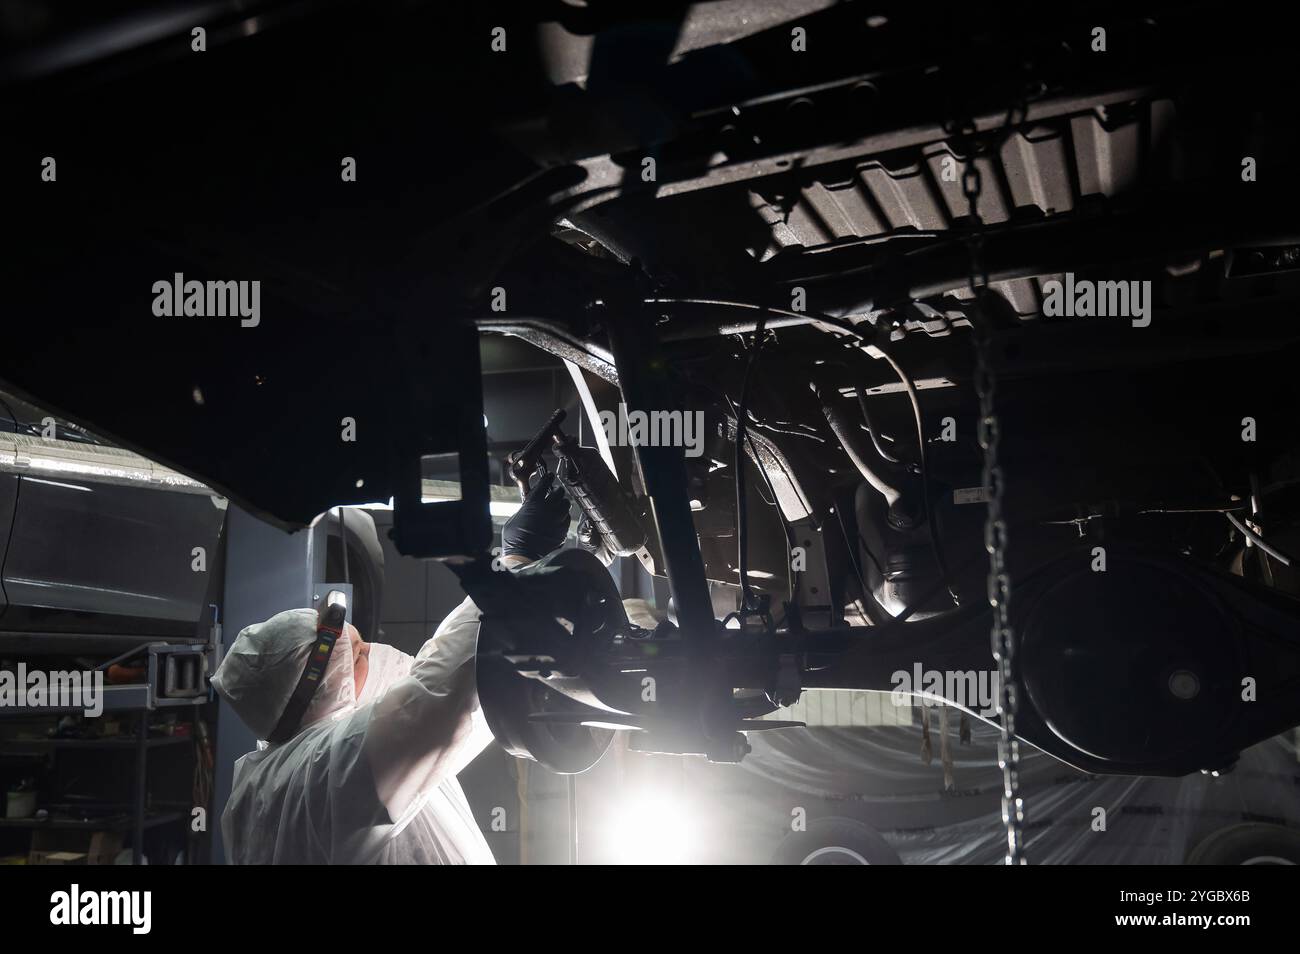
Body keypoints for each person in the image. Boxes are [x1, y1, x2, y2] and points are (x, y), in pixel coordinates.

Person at [211, 475, 572, 864]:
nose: (378, 652)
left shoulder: (278, 785)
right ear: (324, 692)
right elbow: (439, 699)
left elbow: (464, 700)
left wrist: (550, 576)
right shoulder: (321, 775)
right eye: (362, 653)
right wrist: (517, 560)